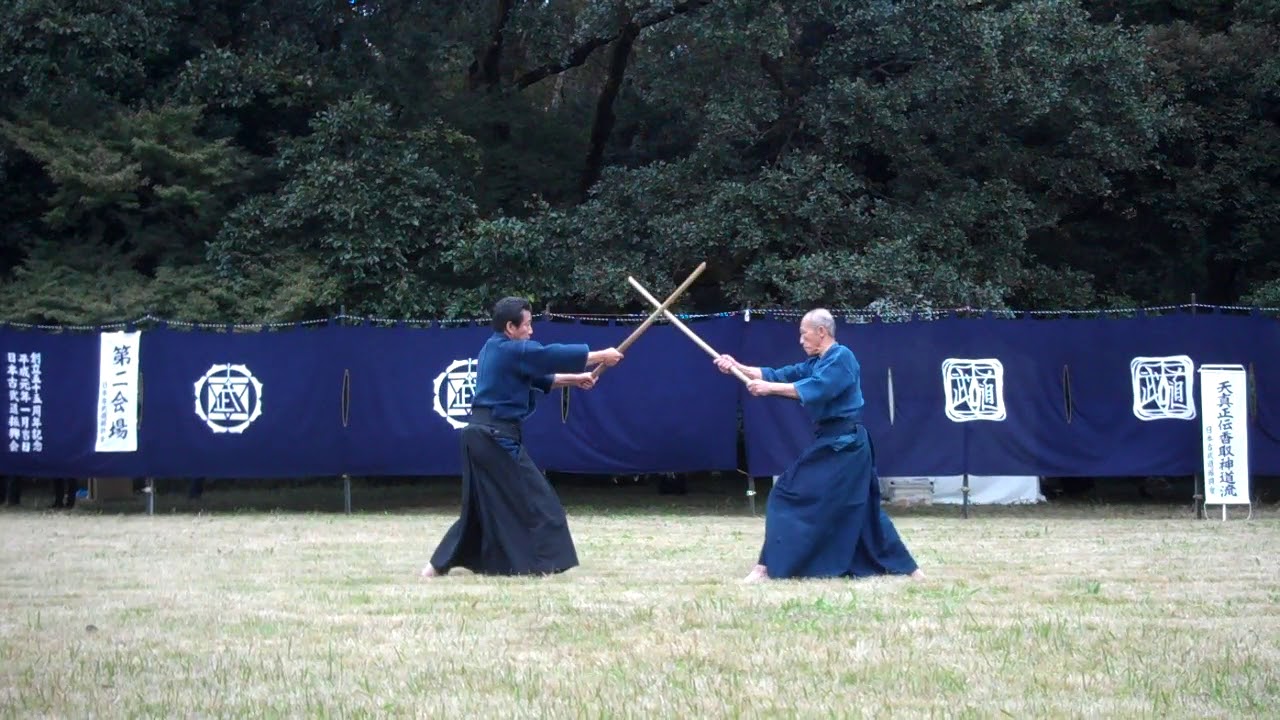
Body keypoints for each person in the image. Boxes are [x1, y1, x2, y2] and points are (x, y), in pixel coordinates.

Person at [714, 308, 924, 583]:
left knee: (786, 494)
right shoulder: (816, 362)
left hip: (846, 445)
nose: (801, 340)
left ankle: (765, 567)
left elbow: (819, 387)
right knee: (858, 508)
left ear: (821, 332)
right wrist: (736, 367)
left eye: (804, 334)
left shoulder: (841, 357)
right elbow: (777, 374)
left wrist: (768, 389)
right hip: (833, 442)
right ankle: (910, 570)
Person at [421, 297, 624, 578]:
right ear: (510, 327)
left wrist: (576, 379)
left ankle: (434, 568)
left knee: (481, 508)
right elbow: (547, 356)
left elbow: (541, 377)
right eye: (527, 325)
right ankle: (540, 565)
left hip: (481, 435)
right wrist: (602, 355)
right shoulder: (509, 350)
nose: (531, 331)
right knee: (541, 503)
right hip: (495, 437)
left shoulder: (493, 348)